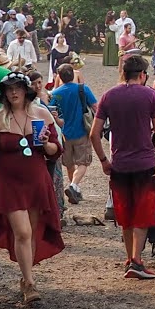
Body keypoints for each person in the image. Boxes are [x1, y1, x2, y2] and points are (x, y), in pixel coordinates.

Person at [0, 72, 64, 309]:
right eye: (9, 89)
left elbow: (55, 151)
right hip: (8, 182)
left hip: (36, 179)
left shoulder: (42, 114)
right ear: (4, 93)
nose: (13, 92)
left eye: (17, 88)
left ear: (26, 91)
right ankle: (29, 283)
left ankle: (27, 276)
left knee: (32, 230)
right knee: (23, 232)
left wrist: (46, 143)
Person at [93, 53, 155, 279]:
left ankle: (129, 257)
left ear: (123, 73)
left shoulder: (109, 96)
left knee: (125, 213)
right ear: (142, 74)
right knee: (143, 212)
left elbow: (94, 133)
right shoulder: (151, 95)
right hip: (145, 162)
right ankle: (137, 260)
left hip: (119, 163)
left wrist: (104, 160)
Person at [49, 60, 97, 205]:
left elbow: (50, 110)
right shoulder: (83, 89)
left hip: (64, 133)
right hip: (82, 130)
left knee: (69, 164)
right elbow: (96, 107)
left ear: (60, 76)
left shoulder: (55, 93)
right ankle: (73, 185)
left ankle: (75, 190)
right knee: (83, 162)